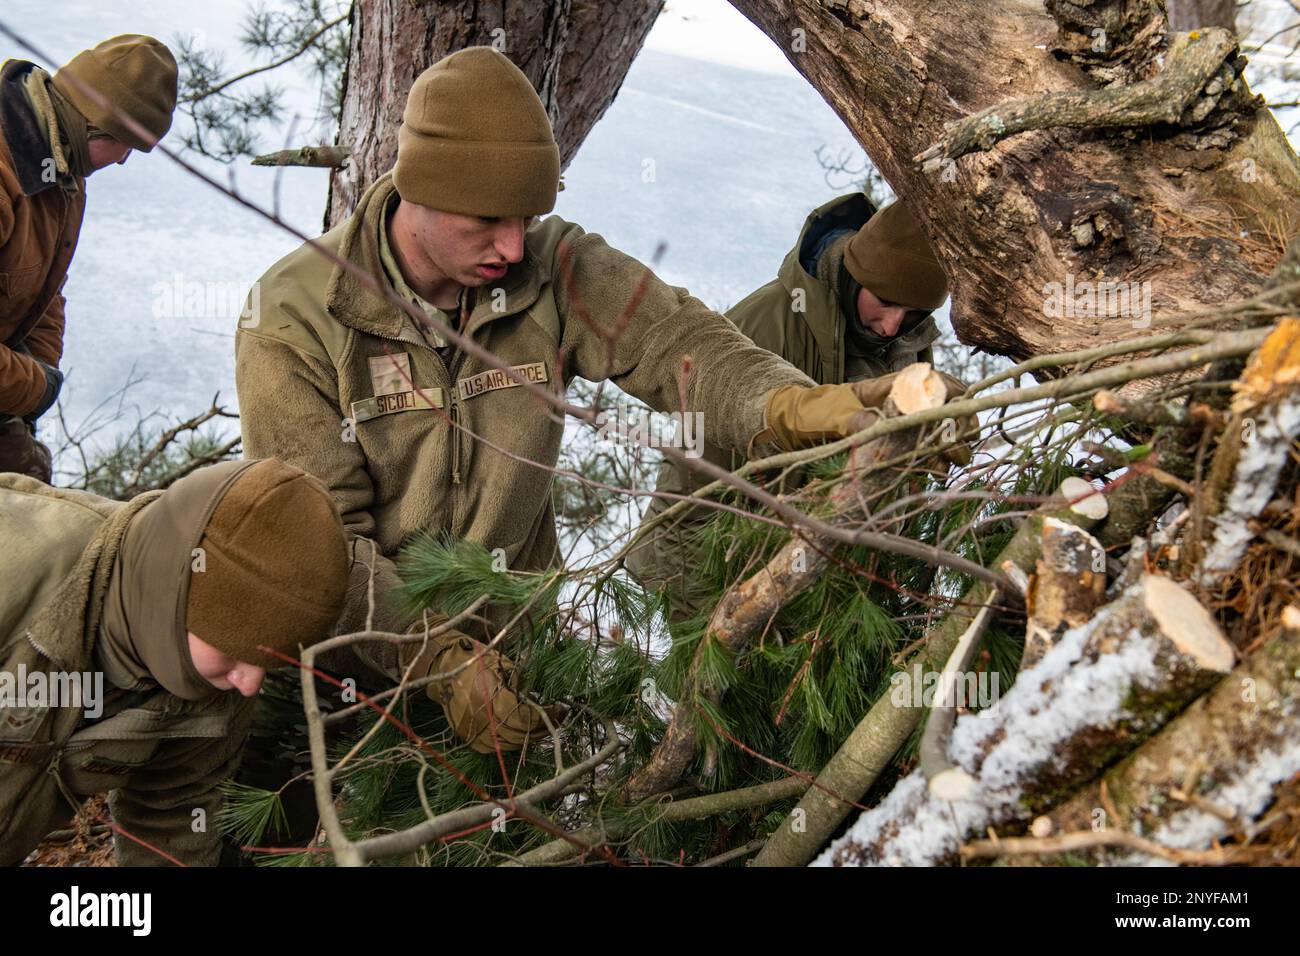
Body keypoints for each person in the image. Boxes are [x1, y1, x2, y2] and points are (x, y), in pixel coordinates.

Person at [235, 47, 966, 752]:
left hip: (518, 659)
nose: (513, 248)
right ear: (419, 192)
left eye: (525, 218)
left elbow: (684, 345)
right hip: (347, 687)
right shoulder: (295, 319)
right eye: (487, 220)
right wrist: (435, 662)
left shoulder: (555, 269)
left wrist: (799, 408)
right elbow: (322, 546)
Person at [626, 194, 963, 623]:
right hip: (719, 570)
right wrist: (707, 634)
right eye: (884, 301)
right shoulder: (761, 327)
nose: (894, 325)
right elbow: (692, 501)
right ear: (856, 276)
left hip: (819, 585)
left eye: (913, 313)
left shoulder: (906, 342)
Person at [0, 458, 350, 866]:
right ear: (174, 593)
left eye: (270, 659)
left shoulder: (212, 689)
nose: (251, 684)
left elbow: (171, 827)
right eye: (235, 647)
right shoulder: (17, 561)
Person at [0, 35, 178, 482]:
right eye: (125, 144)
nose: (121, 162)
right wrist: (34, 388)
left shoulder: (64, 171)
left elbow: (45, 293)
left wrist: (37, 380)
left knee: (31, 489)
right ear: (94, 123)